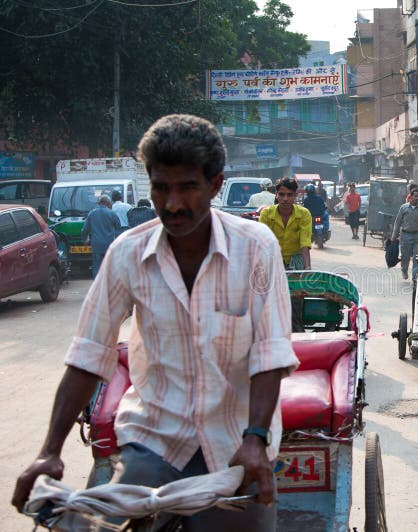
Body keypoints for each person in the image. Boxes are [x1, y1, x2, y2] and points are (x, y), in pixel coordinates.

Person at [13, 114, 298, 531]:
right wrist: (49, 450)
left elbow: (269, 351)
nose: (173, 204)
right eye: (161, 188)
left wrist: (256, 439)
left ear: (216, 185)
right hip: (155, 438)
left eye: (187, 188)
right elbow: (89, 353)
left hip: (237, 441)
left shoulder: (256, 247)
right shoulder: (127, 253)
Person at [260, 178, 312, 333]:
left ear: (295, 196)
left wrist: (307, 268)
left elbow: (305, 243)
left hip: (296, 258)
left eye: (289, 195)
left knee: (295, 297)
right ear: (276, 195)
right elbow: (263, 243)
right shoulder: (267, 214)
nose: (285, 199)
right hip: (273, 257)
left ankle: (296, 329)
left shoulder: (304, 214)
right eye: (281, 194)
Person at [81, 195, 121, 278]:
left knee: (97, 266)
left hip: (96, 244)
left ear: (99, 203)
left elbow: (85, 230)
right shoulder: (112, 213)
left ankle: (97, 286)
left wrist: (84, 240)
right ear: (108, 203)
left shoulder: (92, 213)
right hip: (109, 243)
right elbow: (118, 227)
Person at [391, 188, 418, 280]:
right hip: (405, 235)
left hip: (417, 236)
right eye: (415, 196)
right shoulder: (403, 208)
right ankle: (404, 270)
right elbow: (397, 222)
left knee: (417, 256)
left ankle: (415, 276)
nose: (417, 198)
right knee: (405, 256)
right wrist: (394, 236)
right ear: (410, 197)